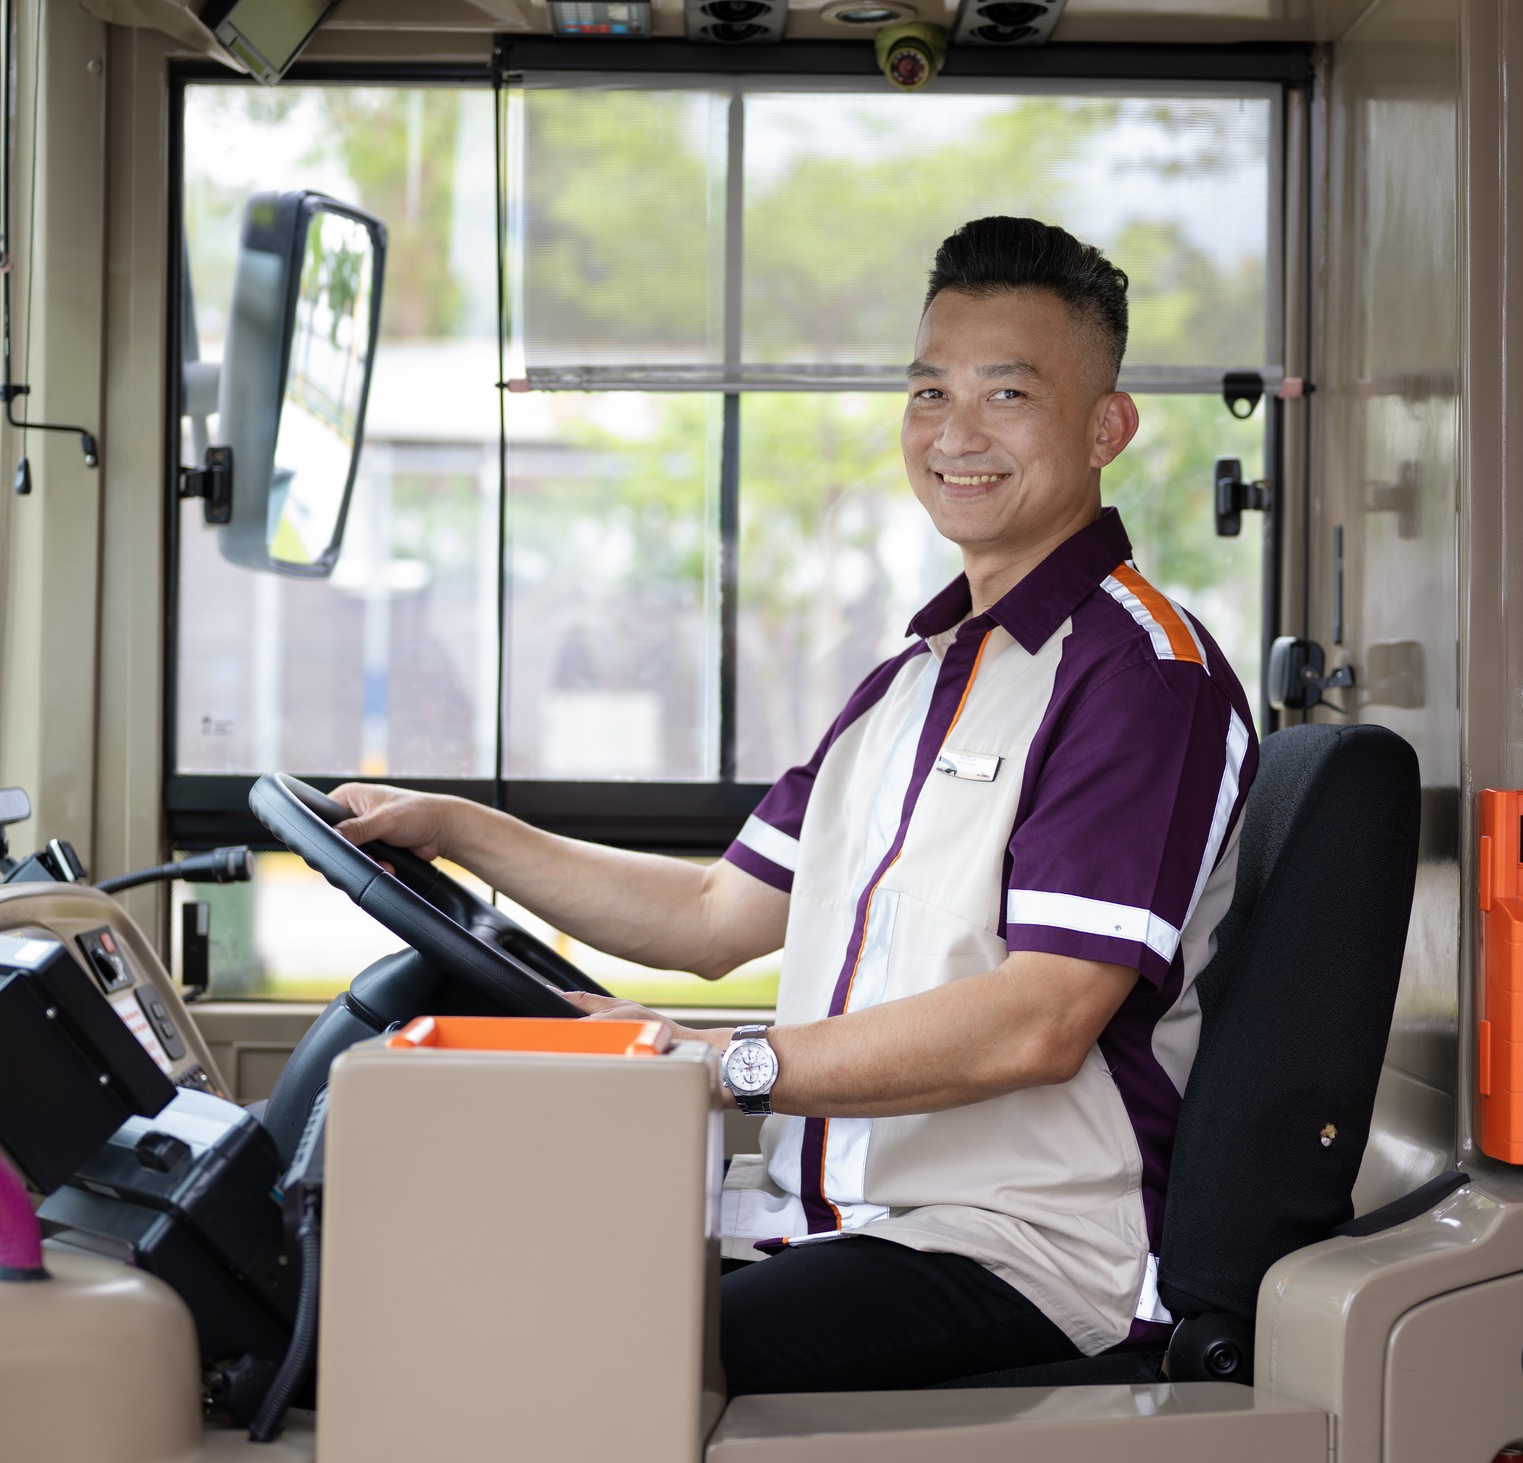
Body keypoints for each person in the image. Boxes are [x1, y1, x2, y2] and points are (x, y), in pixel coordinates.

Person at [331, 215, 1259, 1395]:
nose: (953, 434)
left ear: (1103, 426)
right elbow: (715, 915)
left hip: (1019, 1250)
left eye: (1005, 394)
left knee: (571, 1361)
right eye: (927, 392)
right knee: (442, 1284)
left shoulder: (1141, 677)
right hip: (820, 1216)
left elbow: (1041, 1017)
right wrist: (462, 829)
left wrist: (728, 1064)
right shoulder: (913, 679)